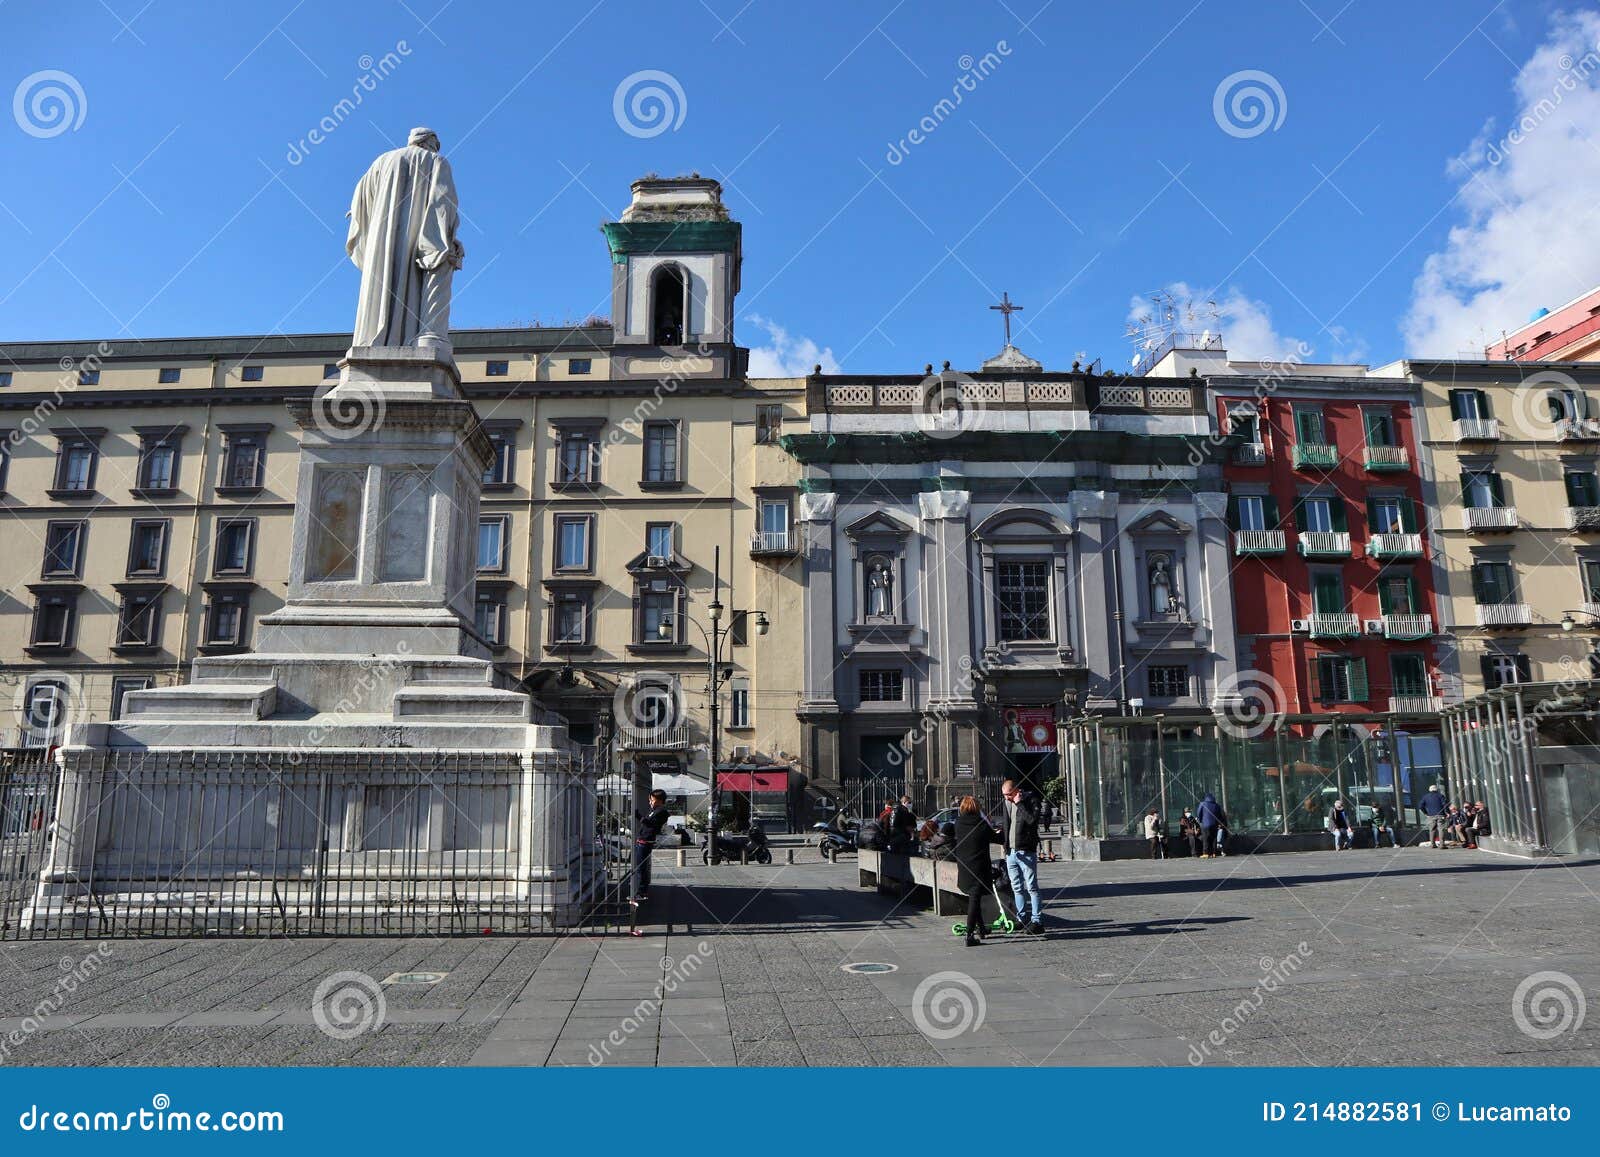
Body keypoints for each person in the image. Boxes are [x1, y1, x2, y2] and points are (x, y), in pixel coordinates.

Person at [953, 796, 1001, 947]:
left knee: (975, 897)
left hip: (964, 865)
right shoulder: (981, 824)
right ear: (976, 808)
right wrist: (1001, 831)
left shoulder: (958, 823)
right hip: (978, 866)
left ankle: (981, 929)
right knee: (975, 898)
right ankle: (969, 935)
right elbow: (996, 838)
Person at [1000, 779, 1044, 934]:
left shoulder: (1031, 799)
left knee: (1032, 887)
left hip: (1026, 851)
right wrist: (1004, 843)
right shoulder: (1006, 803)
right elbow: (1007, 824)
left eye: (1008, 794)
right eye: (1004, 795)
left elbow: (1032, 821)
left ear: (1016, 790)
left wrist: (1019, 803)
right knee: (1017, 887)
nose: (1006, 798)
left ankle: (1037, 921)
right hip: (1011, 852)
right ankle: (1021, 918)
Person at [632, 789, 670, 908]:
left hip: (646, 842)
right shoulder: (654, 810)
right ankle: (640, 891)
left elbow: (650, 824)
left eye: (652, 800)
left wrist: (638, 815)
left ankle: (641, 892)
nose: (650, 802)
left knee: (641, 868)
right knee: (640, 867)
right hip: (642, 840)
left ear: (659, 800)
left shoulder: (662, 812)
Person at [1197, 792, 1226, 858]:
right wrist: (1218, 823)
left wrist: (1200, 820)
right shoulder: (1216, 805)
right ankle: (1213, 853)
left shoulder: (1203, 804)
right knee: (1213, 838)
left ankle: (1206, 853)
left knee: (1206, 838)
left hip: (1205, 824)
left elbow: (1199, 813)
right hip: (1214, 824)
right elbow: (1220, 815)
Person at [1419, 783, 1448, 848]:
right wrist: (1447, 812)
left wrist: (1426, 813)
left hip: (1431, 815)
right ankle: (1442, 845)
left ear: (1429, 790)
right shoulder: (1440, 795)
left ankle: (1432, 844)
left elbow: (1420, 806)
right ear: (1436, 789)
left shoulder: (1425, 797)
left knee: (1432, 829)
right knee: (1441, 829)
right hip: (1440, 814)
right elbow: (1445, 804)